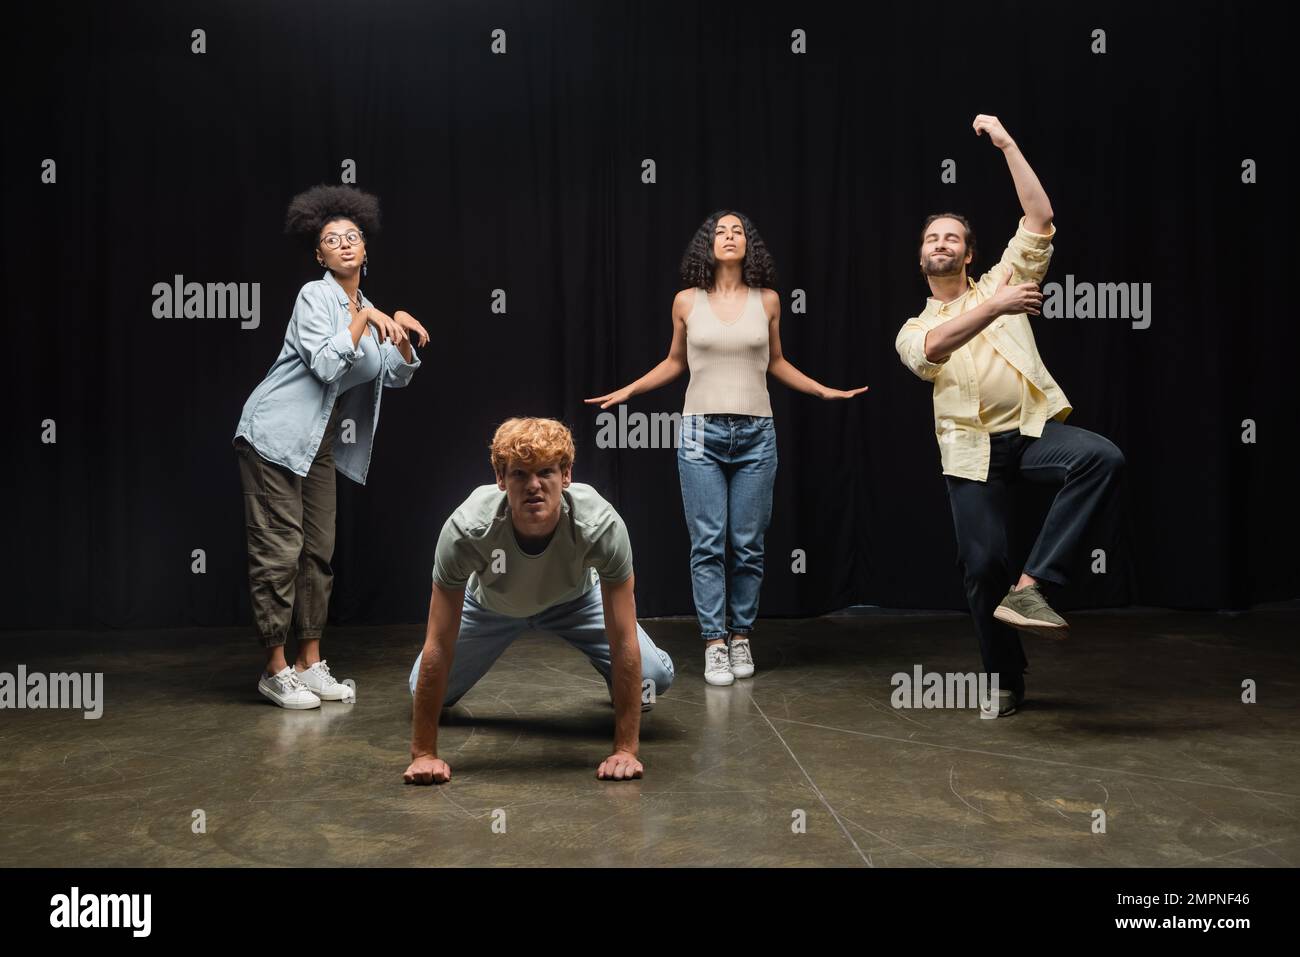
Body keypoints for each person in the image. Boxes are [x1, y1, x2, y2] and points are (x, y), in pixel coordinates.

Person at [894, 115, 1125, 717]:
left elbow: (1039, 219)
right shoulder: (915, 327)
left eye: (951, 238)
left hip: (1029, 434)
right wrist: (997, 303)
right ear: (922, 259)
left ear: (969, 254)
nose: (940, 244)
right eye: (931, 240)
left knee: (1100, 457)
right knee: (981, 565)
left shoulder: (1001, 278)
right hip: (971, 454)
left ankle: (1033, 588)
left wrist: (1007, 144)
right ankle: (1005, 677)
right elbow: (932, 352)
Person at [587, 211, 866, 687]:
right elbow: (675, 362)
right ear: (707, 245)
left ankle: (741, 636)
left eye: (738, 231)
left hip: (758, 434)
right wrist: (629, 391)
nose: (730, 236)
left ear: (749, 244)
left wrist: (822, 391)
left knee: (749, 545)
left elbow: (776, 361)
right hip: (699, 434)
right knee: (709, 543)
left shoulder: (769, 301)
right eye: (721, 231)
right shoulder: (686, 302)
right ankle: (715, 642)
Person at [233, 184, 429, 709]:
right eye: (331, 239)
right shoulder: (315, 296)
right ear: (319, 254)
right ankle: (275, 670)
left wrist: (405, 341)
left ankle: (309, 663)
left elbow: (391, 374)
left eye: (353, 236)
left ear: (365, 249)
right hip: (273, 434)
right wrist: (364, 320)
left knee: (319, 550)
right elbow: (324, 363)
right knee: (280, 551)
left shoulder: (367, 305)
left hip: (316, 441)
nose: (344, 244)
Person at [404, 417, 675, 783]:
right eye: (519, 474)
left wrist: (625, 750)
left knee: (652, 679)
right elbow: (438, 641)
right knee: (421, 684)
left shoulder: (600, 525)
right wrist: (423, 754)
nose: (533, 485)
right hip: (491, 607)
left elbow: (623, 636)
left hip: (575, 602)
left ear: (566, 476)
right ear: (501, 479)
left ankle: (621, 686)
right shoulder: (467, 530)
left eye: (545, 471)